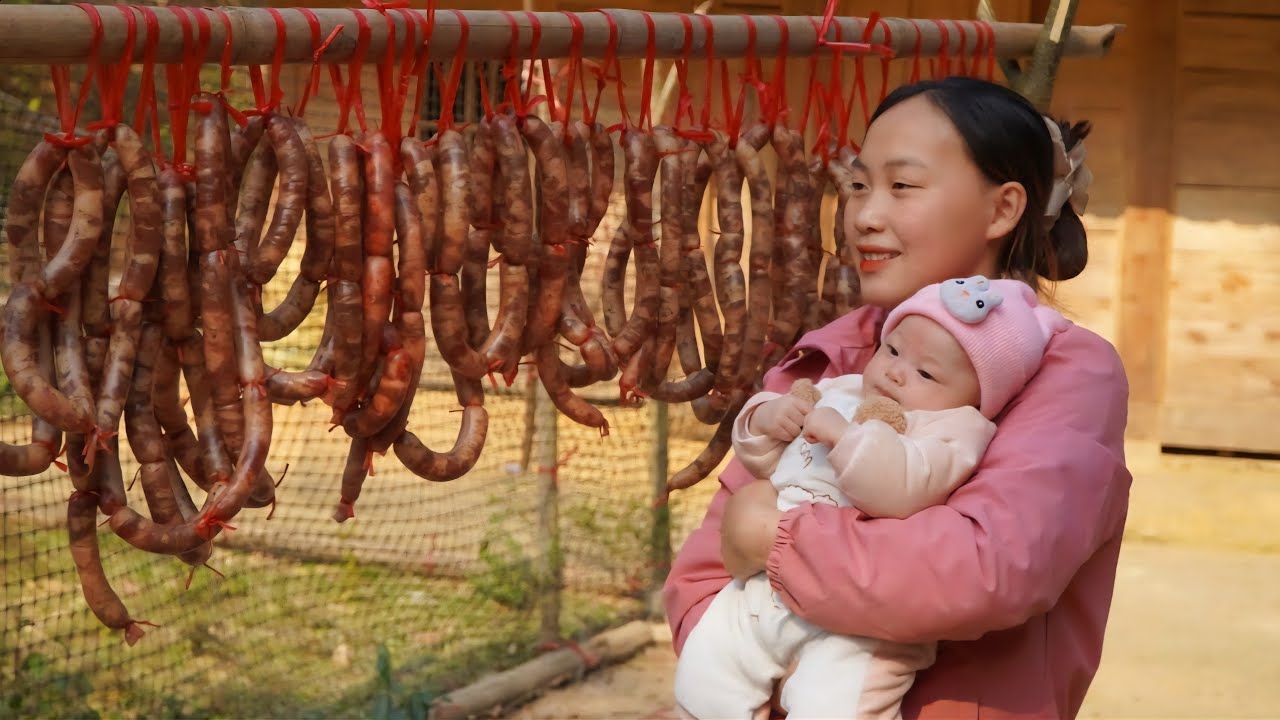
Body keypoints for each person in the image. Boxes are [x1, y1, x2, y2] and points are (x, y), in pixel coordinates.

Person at [663, 76, 1131, 720]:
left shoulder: (1068, 373)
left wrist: (773, 537)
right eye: (858, 185)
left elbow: (980, 573)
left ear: (1002, 209)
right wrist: (730, 668)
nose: (864, 214)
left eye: (902, 186)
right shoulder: (830, 353)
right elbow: (698, 579)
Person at [674, 276, 1070, 719]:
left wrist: (848, 440)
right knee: (707, 671)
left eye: (925, 373)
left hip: (859, 628)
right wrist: (767, 420)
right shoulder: (842, 389)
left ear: (976, 399)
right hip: (763, 590)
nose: (897, 371)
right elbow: (765, 462)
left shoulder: (955, 431)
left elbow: (904, 489)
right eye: (894, 350)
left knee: (838, 703)